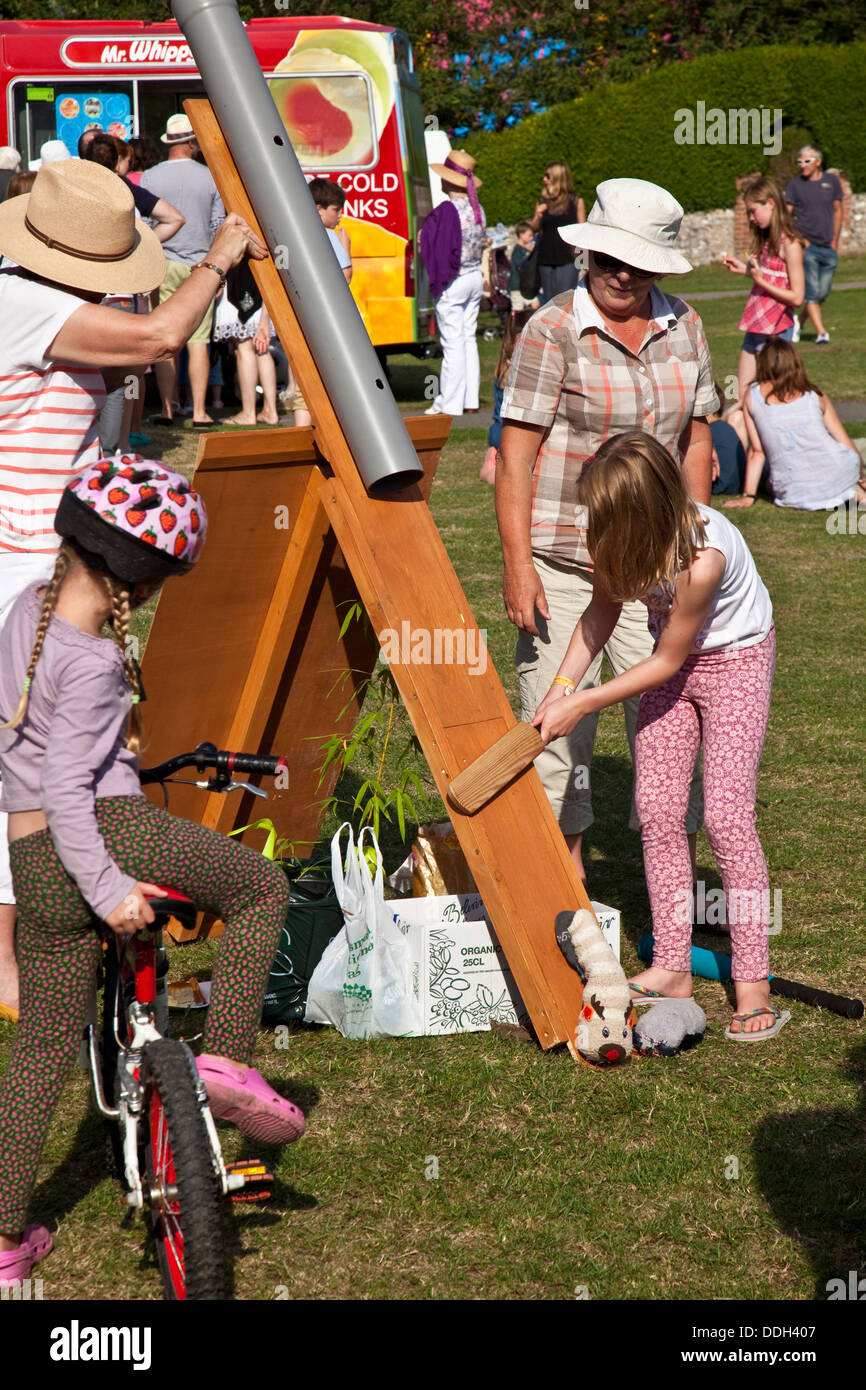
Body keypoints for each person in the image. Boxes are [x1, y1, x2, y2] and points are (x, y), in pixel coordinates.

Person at [0, 459, 305, 1286]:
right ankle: (227, 1064)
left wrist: (113, 755)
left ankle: (2, 1237)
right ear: (142, 576)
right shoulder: (96, 661)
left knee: (40, 1048)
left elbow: (35, 757)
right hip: (102, 835)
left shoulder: (28, 611)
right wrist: (106, 886)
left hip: (30, 857)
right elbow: (73, 790)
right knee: (257, 888)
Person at [0, 156, 266, 1019]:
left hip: (51, 556)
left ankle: (55, 942)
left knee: (49, 759)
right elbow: (155, 342)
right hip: (27, 563)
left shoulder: (35, 300)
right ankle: (17, 965)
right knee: (32, 765)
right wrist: (220, 257)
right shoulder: (25, 305)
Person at [534, 430, 786, 1040]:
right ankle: (673, 965)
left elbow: (670, 660)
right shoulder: (621, 543)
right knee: (657, 809)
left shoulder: (703, 560)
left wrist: (587, 701)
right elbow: (600, 614)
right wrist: (562, 685)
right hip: (670, 665)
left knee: (727, 817)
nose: (595, 531)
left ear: (642, 515)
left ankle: (752, 978)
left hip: (735, 664)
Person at [498, 177, 714, 884]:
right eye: (610, 260)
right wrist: (517, 565)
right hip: (564, 560)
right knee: (558, 730)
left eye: (640, 264)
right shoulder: (553, 326)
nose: (623, 275)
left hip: (658, 567)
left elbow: (695, 444)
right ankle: (566, 899)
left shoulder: (685, 325)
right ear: (589, 255)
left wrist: (696, 541)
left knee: (670, 723)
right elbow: (517, 456)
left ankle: (673, 898)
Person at [141, 114, 227, 427]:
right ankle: (201, 411)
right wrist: (219, 270)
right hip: (200, 266)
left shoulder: (150, 176)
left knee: (165, 340)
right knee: (199, 340)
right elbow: (218, 226)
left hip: (164, 264)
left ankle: (167, 408)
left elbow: (148, 225)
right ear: (191, 143)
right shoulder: (210, 176)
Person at [723, 340, 865, 511]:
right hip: (838, 470)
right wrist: (860, 477)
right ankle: (853, 492)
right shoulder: (814, 394)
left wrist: (748, 496)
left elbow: (757, 452)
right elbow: (846, 443)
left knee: (771, 481)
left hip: (793, 489)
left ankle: (846, 491)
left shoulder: (753, 396)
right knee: (843, 476)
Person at [722, 176, 804, 403]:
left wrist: (760, 281)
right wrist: (746, 272)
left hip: (776, 331)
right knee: (743, 398)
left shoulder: (791, 244)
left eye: (752, 211)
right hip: (756, 324)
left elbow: (797, 297)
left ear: (771, 203)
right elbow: (773, 280)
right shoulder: (768, 242)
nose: (750, 218)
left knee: (770, 399)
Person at [421, 148, 486, 418]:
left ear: (448, 180)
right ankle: (470, 398)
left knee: (452, 342)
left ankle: (449, 403)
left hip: (455, 281)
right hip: (473, 278)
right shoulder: (476, 207)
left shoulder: (447, 210)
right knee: (467, 338)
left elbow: (438, 249)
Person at [284, 178, 354, 429]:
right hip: (329, 317)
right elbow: (344, 277)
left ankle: (301, 432)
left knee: (304, 378)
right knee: (332, 377)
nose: (340, 215)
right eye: (336, 209)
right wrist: (346, 249)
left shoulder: (291, 233)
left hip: (301, 315)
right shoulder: (329, 236)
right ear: (317, 208)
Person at [785, 145, 843, 346]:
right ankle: (822, 333)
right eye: (800, 162)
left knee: (822, 292)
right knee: (812, 291)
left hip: (829, 246)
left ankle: (799, 321)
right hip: (807, 247)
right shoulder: (795, 185)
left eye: (807, 161)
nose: (803, 165)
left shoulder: (831, 182)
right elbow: (786, 214)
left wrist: (835, 239)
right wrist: (801, 239)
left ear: (818, 161)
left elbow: (838, 210)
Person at [480, 308, 533, 485]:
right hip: (508, 433)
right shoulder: (514, 370)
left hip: (497, 431)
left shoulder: (502, 365)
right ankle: (496, 468)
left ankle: (493, 457)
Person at [527, 162, 586, 305]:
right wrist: (538, 214)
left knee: (565, 301)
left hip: (567, 258)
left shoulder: (576, 202)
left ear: (558, 177)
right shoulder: (542, 201)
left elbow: (582, 234)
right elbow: (533, 228)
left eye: (548, 176)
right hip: (545, 257)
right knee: (549, 302)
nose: (544, 179)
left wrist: (584, 263)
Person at [507, 221, 540, 312]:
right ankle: (513, 325)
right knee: (518, 309)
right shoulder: (518, 250)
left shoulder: (526, 250)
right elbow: (520, 266)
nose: (531, 238)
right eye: (529, 235)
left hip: (525, 286)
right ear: (521, 235)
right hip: (517, 286)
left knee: (535, 304)